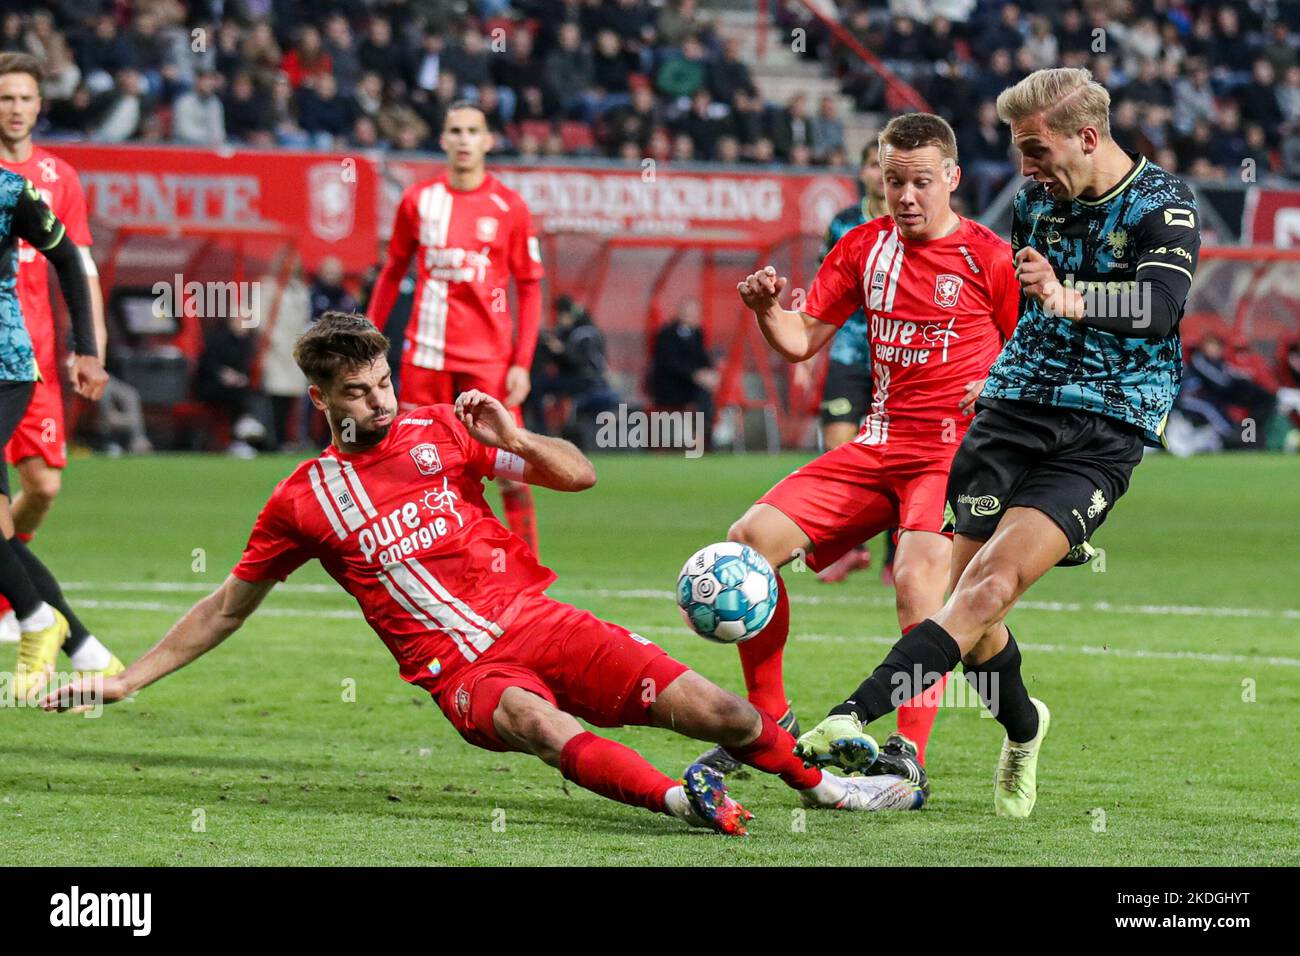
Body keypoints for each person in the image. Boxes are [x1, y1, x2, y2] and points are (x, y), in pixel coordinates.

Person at [42, 313, 927, 831]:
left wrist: (513, 439)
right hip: (465, 671)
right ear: (320, 398)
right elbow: (226, 606)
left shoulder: (444, 430)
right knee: (538, 726)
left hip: (543, 620)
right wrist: (126, 682)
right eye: (357, 392)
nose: (380, 401)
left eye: (384, 382)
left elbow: (579, 474)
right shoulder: (303, 501)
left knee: (728, 714)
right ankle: (682, 803)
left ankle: (832, 790)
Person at [796, 68, 1202, 818]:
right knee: (967, 607)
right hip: (1012, 413)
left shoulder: (1163, 204)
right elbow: (1029, 315)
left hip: (1103, 427)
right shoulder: (1035, 203)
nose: (1026, 167)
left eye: (1035, 148)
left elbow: (1160, 307)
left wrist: (1071, 298)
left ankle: (853, 713)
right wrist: (998, 376)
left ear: (1087, 136)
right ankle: (1024, 724)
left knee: (985, 589)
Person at [691, 113, 1018, 787]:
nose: (906, 196)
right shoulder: (863, 247)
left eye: (921, 182)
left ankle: (907, 755)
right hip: (879, 441)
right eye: (894, 180)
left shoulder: (989, 256)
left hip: (952, 453)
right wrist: (764, 310)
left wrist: (997, 387)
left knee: (917, 576)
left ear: (952, 179)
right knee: (747, 541)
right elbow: (802, 336)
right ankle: (770, 721)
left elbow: (1033, 358)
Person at [366, 101, 544, 555]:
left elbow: (529, 287)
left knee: (511, 467)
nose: (464, 139)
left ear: (487, 141)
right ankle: (416, 563)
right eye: (455, 131)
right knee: (413, 464)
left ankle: (528, 571)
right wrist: (368, 337)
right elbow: (391, 272)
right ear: (443, 141)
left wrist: (522, 363)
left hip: (488, 359)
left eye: (472, 131)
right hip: (425, 355)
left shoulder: (509, 207)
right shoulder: (418, 202)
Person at [0, 52, 121, 681]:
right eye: (5, 98)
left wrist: (88, 348)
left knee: (42, 487)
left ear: (39, 104)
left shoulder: (50, 179)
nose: (15, 109)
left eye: (24, 97)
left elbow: (78, 265)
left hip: (25, 358)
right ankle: (71, 640)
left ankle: (30, 611)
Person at [808, 141, 899, 587]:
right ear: (862, 173)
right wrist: (806, 352)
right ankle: (851, 546)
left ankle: (896, 557)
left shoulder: (912, 220)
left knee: (898, 457)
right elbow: (824, 289)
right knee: (839, 450)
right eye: (870, 165)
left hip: (898, 357)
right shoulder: (843, 224)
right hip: (847, 350)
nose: (877, 174)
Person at [649, 298, 717, 439]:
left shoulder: (698, 334)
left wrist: (710, 373)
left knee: (706, 392)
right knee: (701, 391)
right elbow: (669, 363)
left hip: (691, 385)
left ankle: (704, 433)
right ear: (679, 313)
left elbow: (703, 358)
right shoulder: (666, 334)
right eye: (688, 313)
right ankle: (693, 434)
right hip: (671, 385)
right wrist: (694, 375)